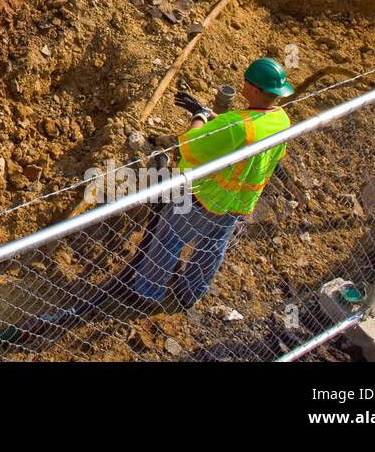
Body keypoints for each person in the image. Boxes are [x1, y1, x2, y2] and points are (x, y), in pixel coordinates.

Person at [113, 57, 296, 314]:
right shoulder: (280, 119)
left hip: (204, 198)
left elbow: (191, 145)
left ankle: (146, 292)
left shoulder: (236, 126)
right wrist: (214, 117)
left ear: (255, 89)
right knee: (212, 248)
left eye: (246, 81)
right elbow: (242, 132)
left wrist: (199, 117)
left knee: (168, 239)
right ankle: (190, 293)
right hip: (238, 201)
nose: (242, 84)